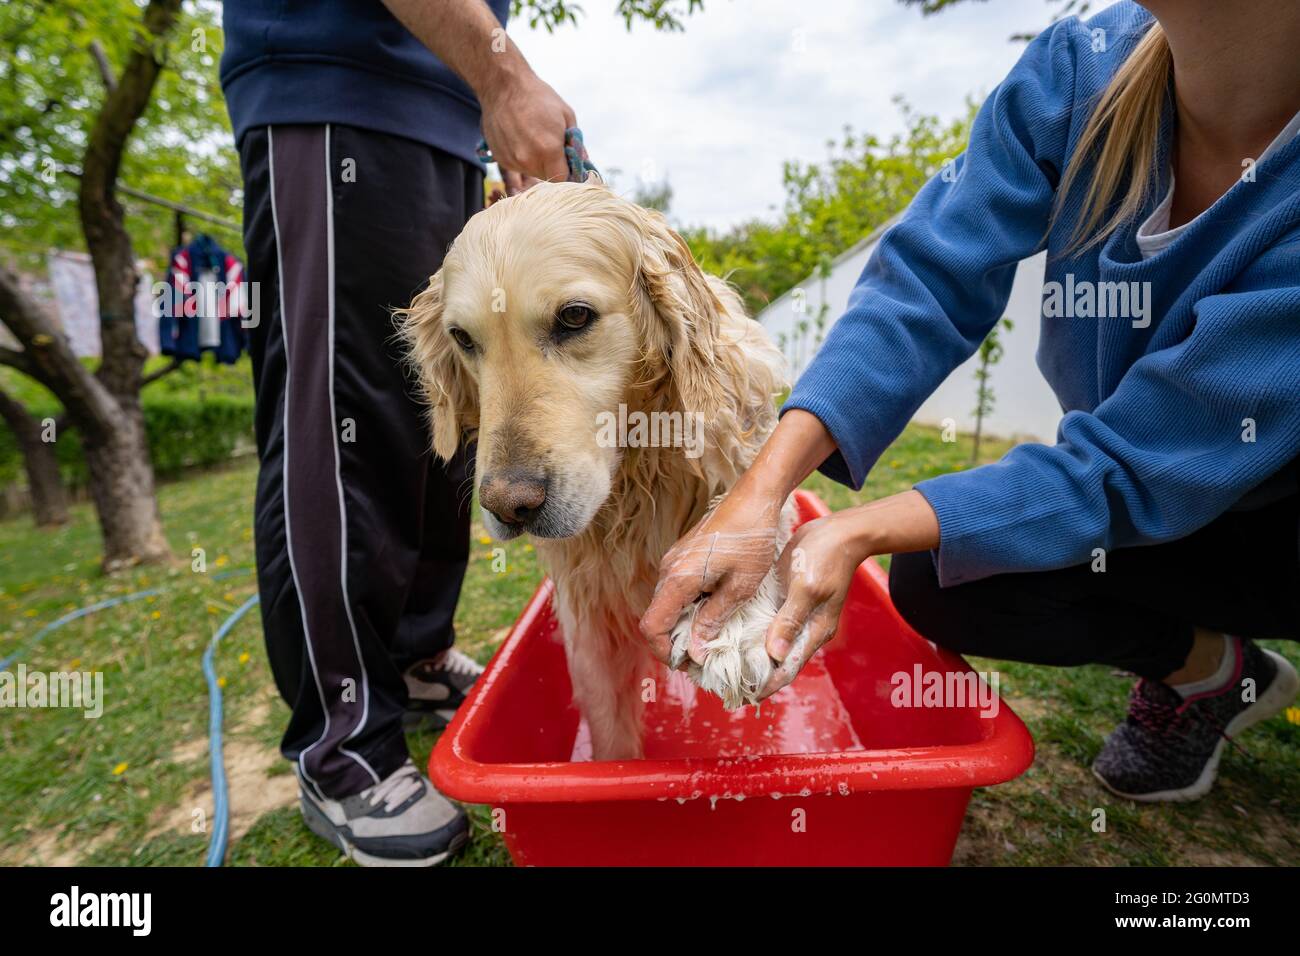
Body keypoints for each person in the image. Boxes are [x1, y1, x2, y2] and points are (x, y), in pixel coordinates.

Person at [641, 0, 1300, 804]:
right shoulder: (1082, 66)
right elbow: (929, 281)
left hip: (1277, 526)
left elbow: (1138, 463)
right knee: (945, 571)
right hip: (1160, 504)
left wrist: (849, 531)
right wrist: (760, 492)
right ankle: (1214, 675)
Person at [221, 0, 575, 865]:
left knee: (437, 406)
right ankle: (340, 741)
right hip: (333, 92)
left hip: (443, 120)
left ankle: (419, 652)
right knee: (341, 421)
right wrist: (505, 73)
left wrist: (479, 101)